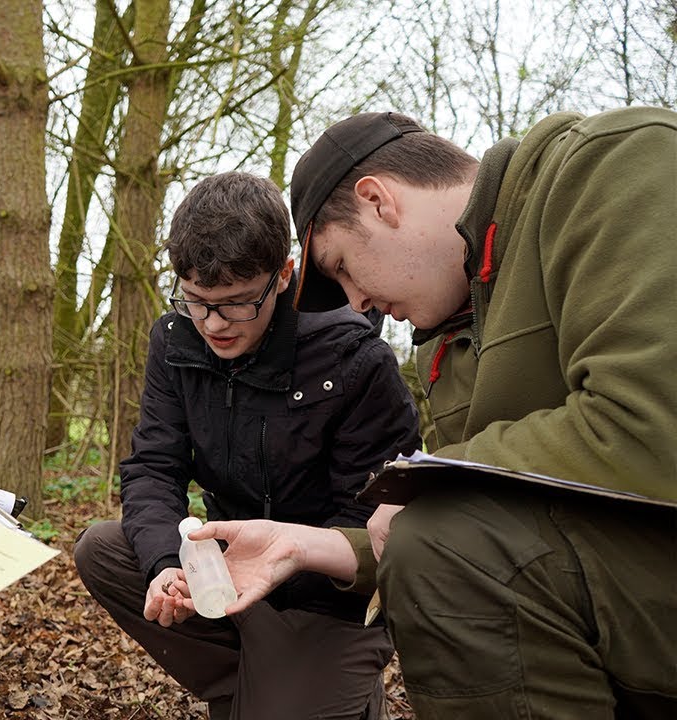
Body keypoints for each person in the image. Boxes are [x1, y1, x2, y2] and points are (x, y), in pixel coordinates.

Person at [190, 110, 677, 718]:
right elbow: (468, 527)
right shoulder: (445, 339)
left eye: (342, 268)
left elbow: (654, 424)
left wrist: (430, 476)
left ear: (378, 202)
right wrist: (299, 546)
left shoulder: (607, 164)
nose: (357, 302)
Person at [73, 172, 422, 720]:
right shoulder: (174, 341)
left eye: (236, 303)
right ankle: (264, 682)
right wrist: (166, 565)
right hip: (229, 573)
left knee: (278, 699)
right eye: (196, 301)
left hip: (327, 601)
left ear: (283, 275)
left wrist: (288, 556)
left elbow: (370, 517)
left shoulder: (353, 358)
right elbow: (153, 467)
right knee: (102, 548)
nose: (214, 324)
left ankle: (303, 681)